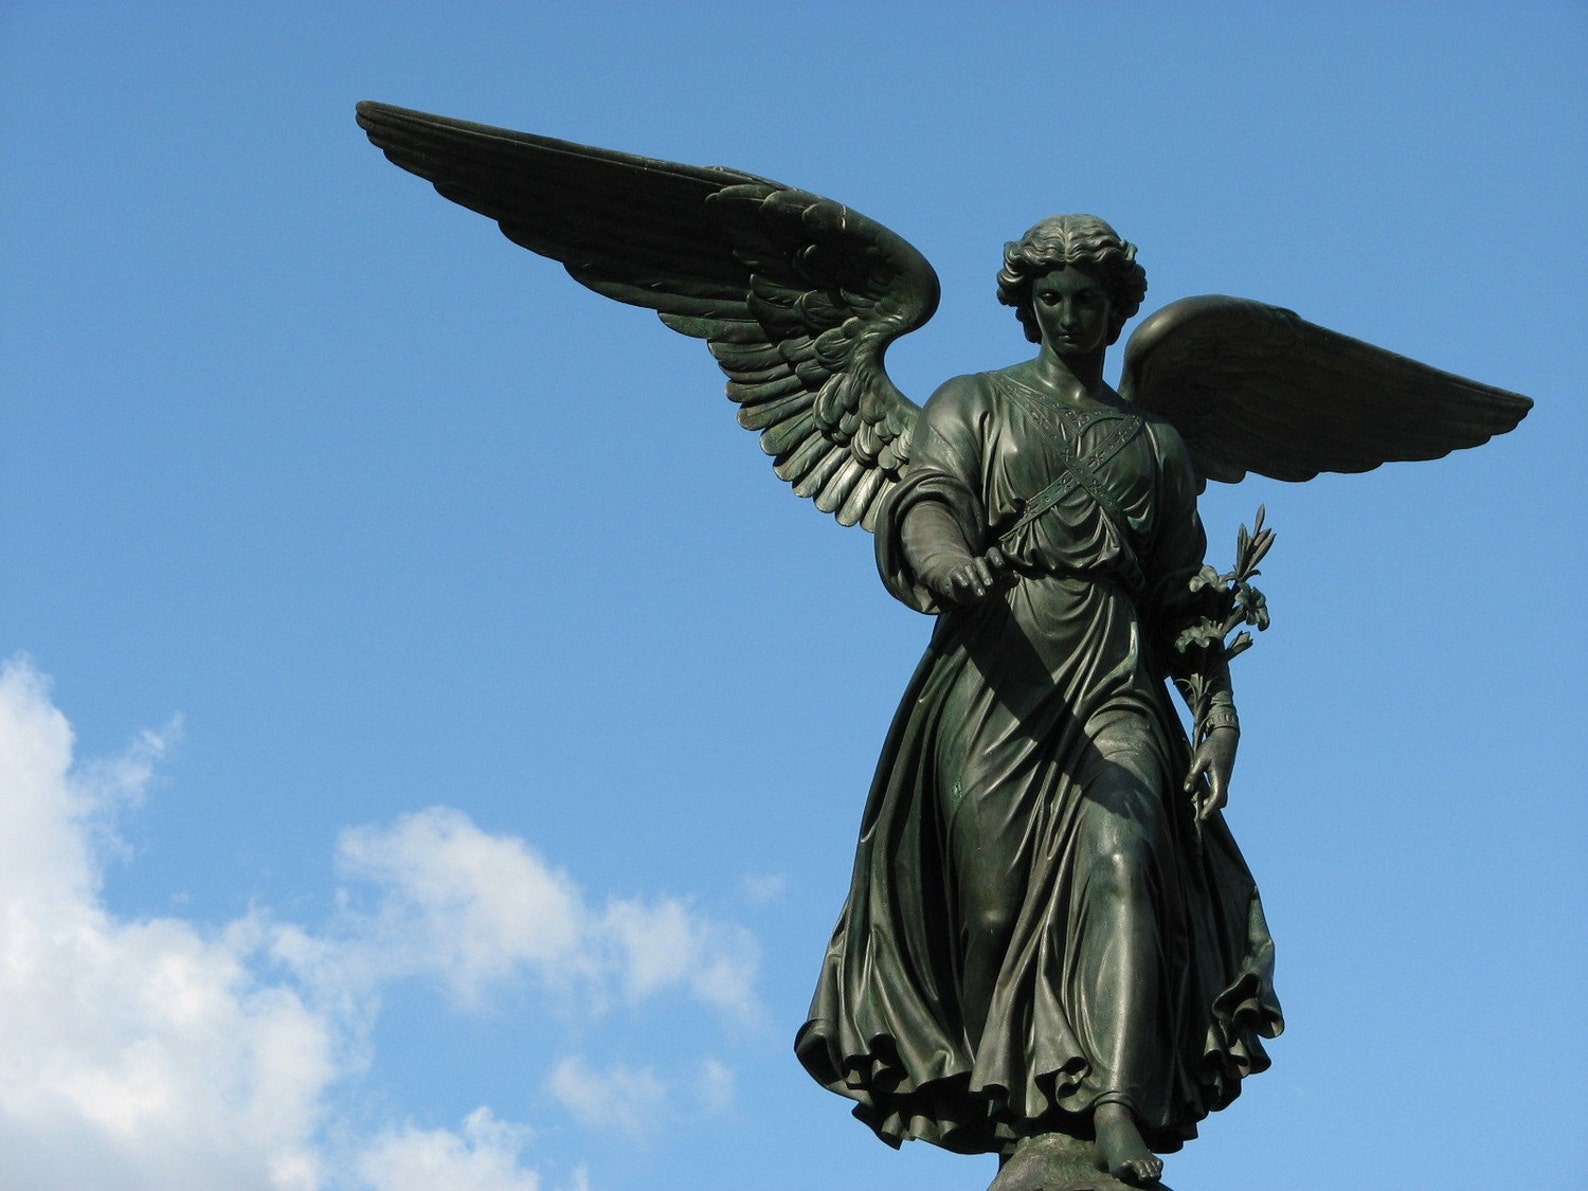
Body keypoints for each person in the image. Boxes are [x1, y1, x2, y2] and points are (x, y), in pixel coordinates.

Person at [795, 215, 1283, 1187]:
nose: (1070, 315)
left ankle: (1113, 1109)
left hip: (1112, 678)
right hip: (996, 679)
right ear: (1025, 308)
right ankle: (1015, 1112)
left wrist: (1219, 717)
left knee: (1124, 862)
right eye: (1050, 298)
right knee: (988, 915)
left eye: (1089, 299)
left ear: (1117, 310)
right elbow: (925, 500)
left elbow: (1182, 598)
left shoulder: (1154, 445)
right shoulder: (972, 403)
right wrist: (949, 564)